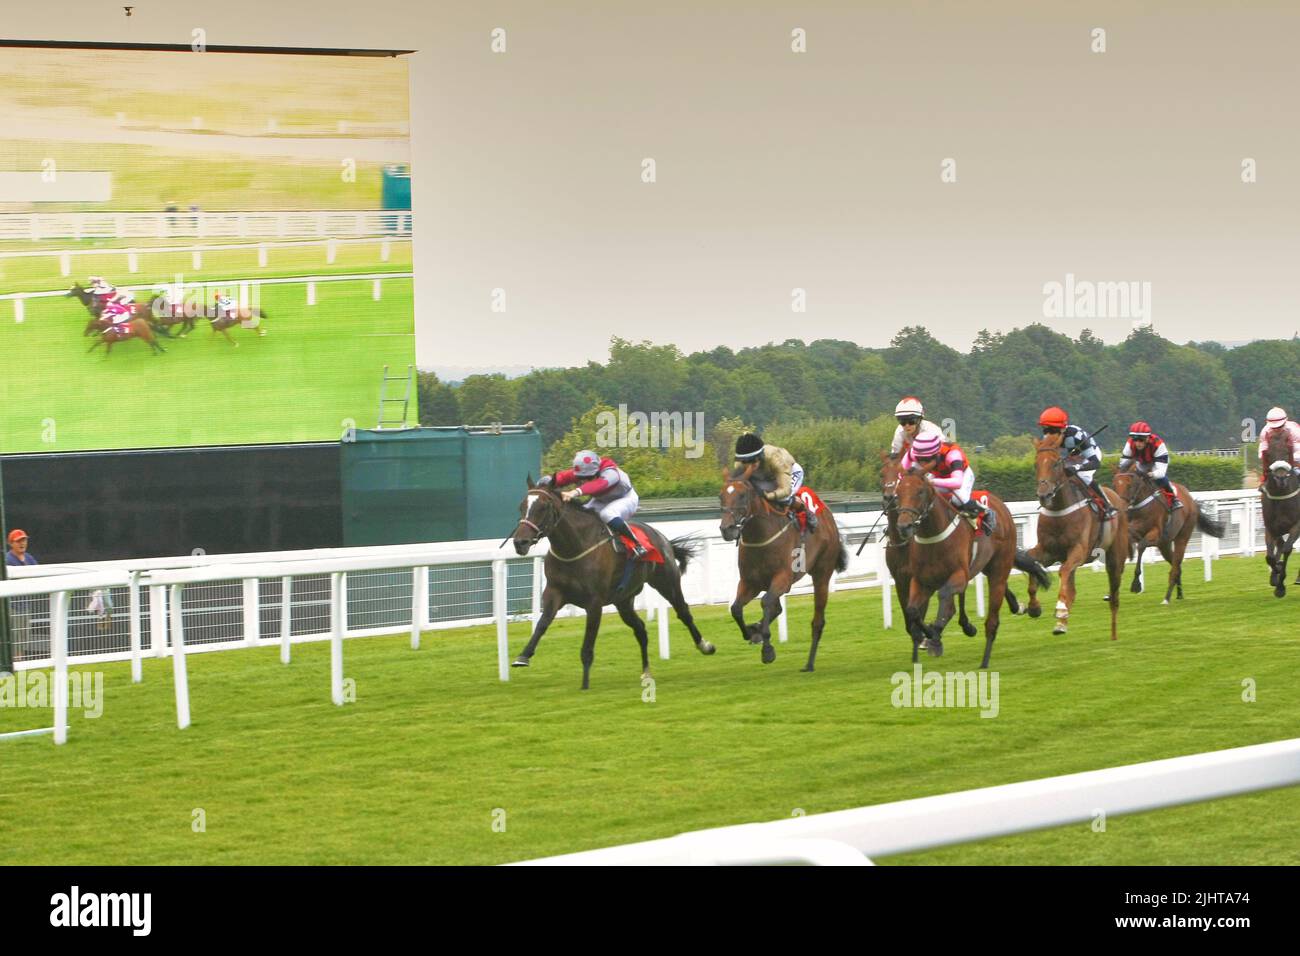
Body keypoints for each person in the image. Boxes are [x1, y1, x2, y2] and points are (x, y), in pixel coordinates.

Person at [539, 450, 646, 557]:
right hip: (601, 500)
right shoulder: (584, 471)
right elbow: (562, 477)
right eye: (581, 478)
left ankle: (637, 544)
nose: (585, 481)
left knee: (607, 514)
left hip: (625, 498)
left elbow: (599, 485)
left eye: (589, 478)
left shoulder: (611, 473)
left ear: (597, 470)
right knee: (580, 516)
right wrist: (544, 482)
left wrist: (575, 492)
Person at [900, 428, 996, 534]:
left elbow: (957, 483)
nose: (923, 464)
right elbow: (901, 473)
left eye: (927, 460)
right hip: (939, 475)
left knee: (958, 500)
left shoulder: (953, 454)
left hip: (962, 475)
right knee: (922, 493)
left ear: (936, 454)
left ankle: (986, 511)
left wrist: (932, 482)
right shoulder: (913, 453)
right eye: (919, 459)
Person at [1038, 406, 1116, 518]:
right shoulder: (1048, 439)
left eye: (1052, 431)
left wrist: (1077, 468)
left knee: (1083, 476)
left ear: (1062, 429)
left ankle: (1107, 505)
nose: (1048, 435)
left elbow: (1095, 463)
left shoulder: (1076, 436)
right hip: (1070, 459)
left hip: (1088, 457)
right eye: (1046, 430)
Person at [733, 433, 818, 532]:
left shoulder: (775, 458)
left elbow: (785, 490)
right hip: (766, 476)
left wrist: (769, 496)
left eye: (754, 461)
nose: (751, 465)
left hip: (789, 472)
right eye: (747, 462)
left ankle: (806, 512)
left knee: (783, 498)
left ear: (761, 455)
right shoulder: (739, 465)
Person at [1119, 422, 1182, 512]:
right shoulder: (1129, 445)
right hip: (1141, 462)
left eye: (1141, 440)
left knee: (1159, 478)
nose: (1137, 443)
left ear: (1148, 438)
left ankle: (1173, 499)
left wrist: (1151, 474)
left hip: (1156, 463)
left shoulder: (1159, 445)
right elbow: (1123, 465)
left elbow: (1161, 472)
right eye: (1135, 440)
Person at [5, 530, 38, 663]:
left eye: (24, 540)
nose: (22, 543)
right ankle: (15, 665)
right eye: (18, 541)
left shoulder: (29, 558)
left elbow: (38, 572)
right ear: (11, 543)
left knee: (24, 637)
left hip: (25, 605)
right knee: (15, 638)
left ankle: (19, 664)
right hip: (12, 606)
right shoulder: (7, 559)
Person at [1258, 407, 1300, 479]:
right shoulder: (1265, 432)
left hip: (1295, 460)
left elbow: (1298, 452)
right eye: (1273, 428)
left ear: (1285, 421)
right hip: (1274, 462)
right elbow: (1261, 454)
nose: (1277, 429)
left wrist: (1287, 461)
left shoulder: (1294, 430)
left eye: (1280, 426)